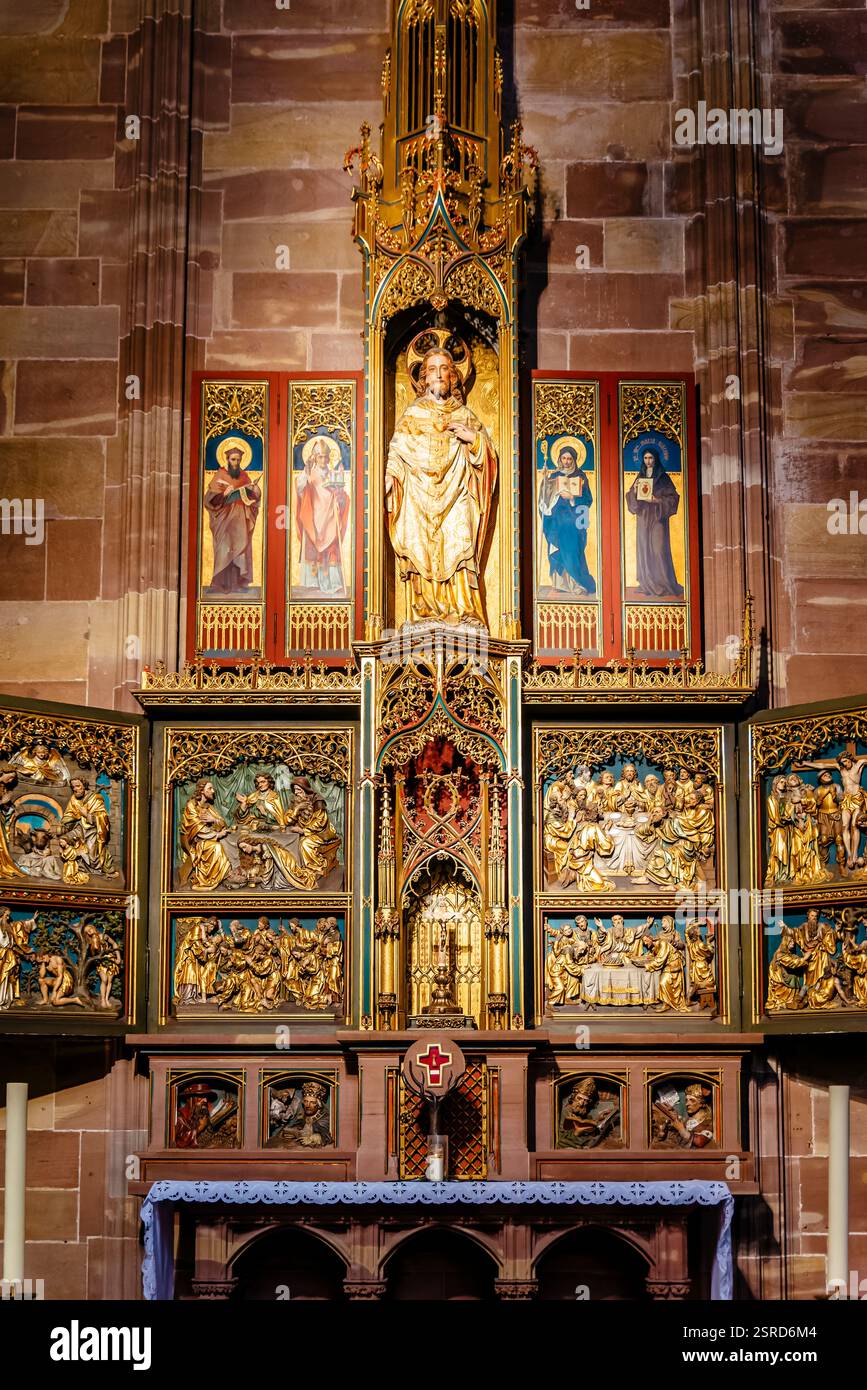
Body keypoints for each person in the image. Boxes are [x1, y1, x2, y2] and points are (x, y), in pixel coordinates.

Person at [385, 342, 496, 626]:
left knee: (459, 543)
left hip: (457, 492)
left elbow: (488, 459)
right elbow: (397, 450)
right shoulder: (412, 414)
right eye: (432, 370)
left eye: (444, 369)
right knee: (420, 546)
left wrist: (474, 440)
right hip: (419, 497)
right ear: (423, 379)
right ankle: (424, 612)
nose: (438, 375)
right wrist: (390, 477)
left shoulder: (465, 415)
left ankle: (464, 612)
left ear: (453, 377)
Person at [204, 436, 261, 593]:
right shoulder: (220, 476)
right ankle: (220, 584)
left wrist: (255, 491)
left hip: (241, 520)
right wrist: (224, 494)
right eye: (233, 459)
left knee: (239, 550)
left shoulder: (244, 476)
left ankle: (236, 584)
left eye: (238, 460)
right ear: (227, 459)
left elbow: (253, 498)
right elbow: (209, 500)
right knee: (224, 549)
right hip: (223, 520)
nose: (236, 463)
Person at [625, 445, 683, 598]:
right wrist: (635, 491)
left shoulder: (663, 477)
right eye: (645, 458)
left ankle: (664, 583)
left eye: (650, 458)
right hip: (644, 516)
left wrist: (657, 500)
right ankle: (647, 582)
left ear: (655, 459)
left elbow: (673, 498)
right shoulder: (640, 476)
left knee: (658, 548)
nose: (648, 461)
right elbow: (631, 497)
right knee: (644, 547)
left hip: (657, 516)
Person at [295, 437, 350, 595]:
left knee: (332, 547)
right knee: (313, 548)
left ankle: (333, 582)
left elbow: (341, 495)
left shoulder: (333, 473)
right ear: (314, 457)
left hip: (330, 517)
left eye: (326, 457)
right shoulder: (309, 474)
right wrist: (305, 475)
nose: (323, 460)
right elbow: (300, 490)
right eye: (320, 456)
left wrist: (339, 496)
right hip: (314, 516)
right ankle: (313, 582)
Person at [538, 444, 596, 595]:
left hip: (574, 522)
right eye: (564, 458)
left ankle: (578, 584)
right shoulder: (553, 476)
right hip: (557, 522)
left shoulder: (581, 477)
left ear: (574, 460)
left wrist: (572, 499)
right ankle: (562, 583)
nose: (566, 461)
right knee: (559, 551)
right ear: (560, 459)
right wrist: (544, 480)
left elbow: (588, 500)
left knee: (572, 551)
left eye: (569, 459)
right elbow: (545, 498)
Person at [179, 780, 232, 890]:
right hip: (196, 842)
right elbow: (197, 827)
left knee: (229, 842)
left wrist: (214, 820)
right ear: (201, 791)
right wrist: (217, 835)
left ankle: (227, 875)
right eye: (210, 789)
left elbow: (222, 823)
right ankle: (208, 880)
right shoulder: (192, 805)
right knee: (216, 847)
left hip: (208, 838)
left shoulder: (208, 807)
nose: (213, 791)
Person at [59, 778, 117, 878]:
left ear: (84, 785)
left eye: (78, 786)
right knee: (64, 839)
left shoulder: (96, 798)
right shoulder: (74, 799)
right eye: (73, 787)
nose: (75, 789)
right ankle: (77, 865)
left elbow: (103, 819)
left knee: (92, 856)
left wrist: (87, 814)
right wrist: (68, 820)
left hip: (93, 831)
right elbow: (68, 815)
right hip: (78, 829)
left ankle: (95, 869)